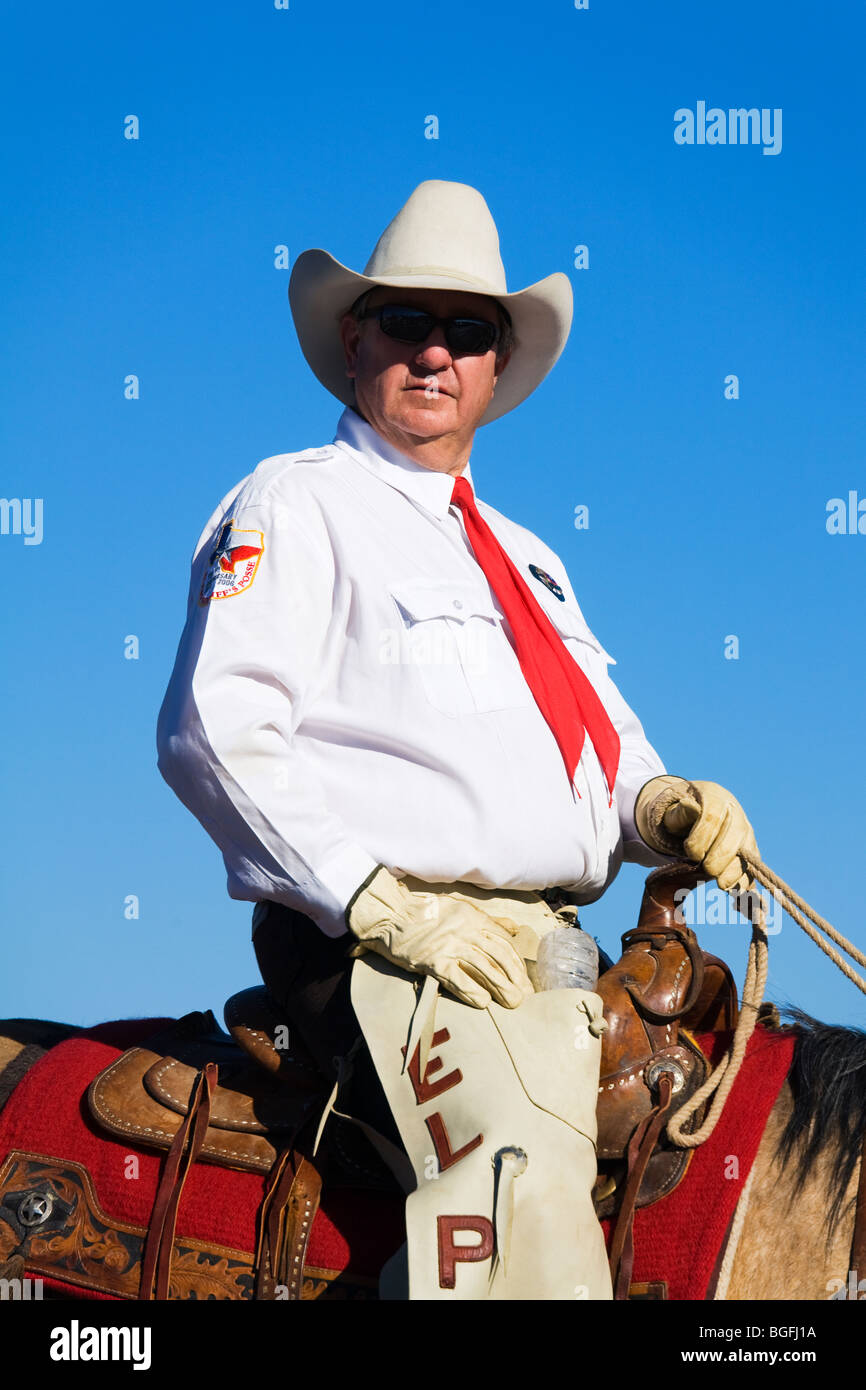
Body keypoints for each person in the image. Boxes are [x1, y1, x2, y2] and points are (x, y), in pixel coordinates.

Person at [156, 179, 758, 1150]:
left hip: (550, 946)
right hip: (372, 947)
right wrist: (377, 904)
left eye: (468, 332)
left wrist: (662, 806)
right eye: (407, 321)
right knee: (528, 1175)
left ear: (496, 363)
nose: (435, 352)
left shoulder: (532, 560)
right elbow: (212, 732)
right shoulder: (293, 502)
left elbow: (602, 755)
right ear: (355, 340)